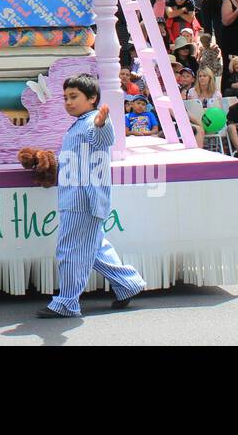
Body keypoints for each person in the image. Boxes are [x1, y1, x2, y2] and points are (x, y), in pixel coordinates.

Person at [38, 73, 146, 318]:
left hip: (82, 200)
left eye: (74, 96)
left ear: (92, 98)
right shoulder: (80, 123)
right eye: (65, 97)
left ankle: (67, 302)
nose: (68, 102)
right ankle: (128, 284)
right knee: (93, 247)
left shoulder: (90, 123)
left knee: (71, 250)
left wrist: (102, 123)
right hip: (80, 199)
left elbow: (103, 138)